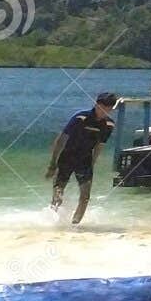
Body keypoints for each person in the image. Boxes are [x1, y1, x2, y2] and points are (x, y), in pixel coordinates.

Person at [46, 93, 117, 224]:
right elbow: (61, 140)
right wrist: (52, 163)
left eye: (108, 110)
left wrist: (93, 163)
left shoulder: (109, 124)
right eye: (102, 108)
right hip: (67, 156)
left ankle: (75, 224)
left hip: (85, 159)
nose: (104, 112)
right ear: (96, 105)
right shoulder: (81, 117)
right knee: (58, 192)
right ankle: (53, 222)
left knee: (85, 196)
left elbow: (99, 146)